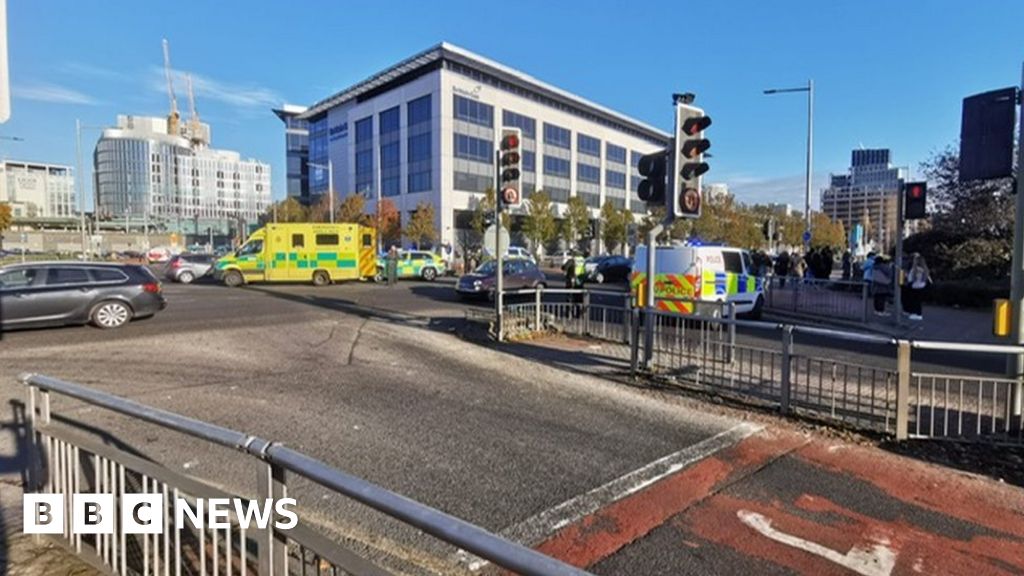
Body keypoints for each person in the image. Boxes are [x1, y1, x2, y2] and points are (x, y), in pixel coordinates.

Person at [903, 252, 931, 321]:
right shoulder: (925, 269)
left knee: (914, 301)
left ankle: (916, 314)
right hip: (922, 286)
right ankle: (918, 314)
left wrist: (906, 275)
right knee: (918, 301)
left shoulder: (915, 269)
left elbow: (911, 278)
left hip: (915, 286)